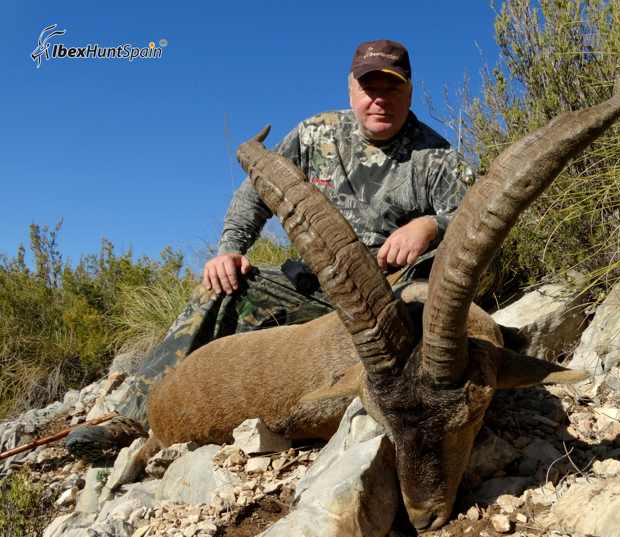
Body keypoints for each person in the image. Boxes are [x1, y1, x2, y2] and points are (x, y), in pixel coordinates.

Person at [65, 39, 475, 461]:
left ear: (408, 89)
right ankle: (129, 418)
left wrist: (429, 225)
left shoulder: (437, 157)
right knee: (219, 288)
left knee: (424, 290)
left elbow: (473, 219)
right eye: (369, 87)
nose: (379, 99)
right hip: (311, 288)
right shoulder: (315, 135)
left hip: (386, 301)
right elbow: (254, 196)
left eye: (391, 87)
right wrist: (229, 249)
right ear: (351, 88)